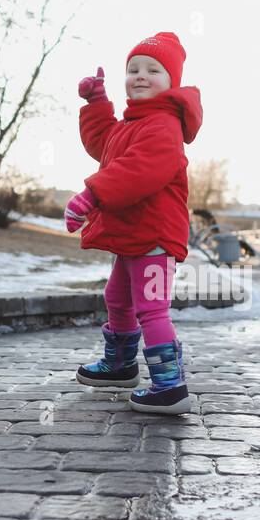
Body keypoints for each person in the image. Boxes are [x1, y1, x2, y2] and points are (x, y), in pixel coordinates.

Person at [65, 31, 202, 415]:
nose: (141, 76)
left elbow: (136, 172)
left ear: (171, 81)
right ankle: (121, 365)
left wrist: (91, 196)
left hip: (155, 238)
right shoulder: (131, 124)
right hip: (132, 237)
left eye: (153, 70)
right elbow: (104, 145)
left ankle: (169, 385)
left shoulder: (163, 127)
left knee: (152, 308)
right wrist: (96, 102)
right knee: (117, 298)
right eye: (133, 69)